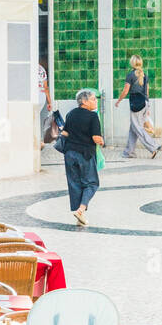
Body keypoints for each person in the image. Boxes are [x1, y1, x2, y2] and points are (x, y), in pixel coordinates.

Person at [61, 89, 104, 226]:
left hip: (70, 154)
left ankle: (80, 214)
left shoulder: (71, 114)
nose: (95, 101)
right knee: (91, 183)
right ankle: (80, 210)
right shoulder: (92, 117)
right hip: (85, 154)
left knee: (74, 184)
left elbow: (65, 133)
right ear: (84, 101)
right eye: (93, 99)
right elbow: (96, 138)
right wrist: (102, 142)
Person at [115, 54, 162, 159]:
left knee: (138, 128)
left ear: (132, 63)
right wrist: (148, 107)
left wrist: (118, 101)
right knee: (133, 128)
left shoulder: (130, 75)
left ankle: (154, 146)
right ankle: (129, 152)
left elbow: (126, 90)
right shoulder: (145, 75)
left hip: (136, 104)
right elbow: (147, 91)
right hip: (144, 103)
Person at [37, 62, 52, 143]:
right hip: (41, 96)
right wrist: (49, 102)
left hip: (32, 95)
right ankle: (37, 140)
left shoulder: (26, 66)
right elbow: (45, 87)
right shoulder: (41, 69)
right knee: (36, 117)